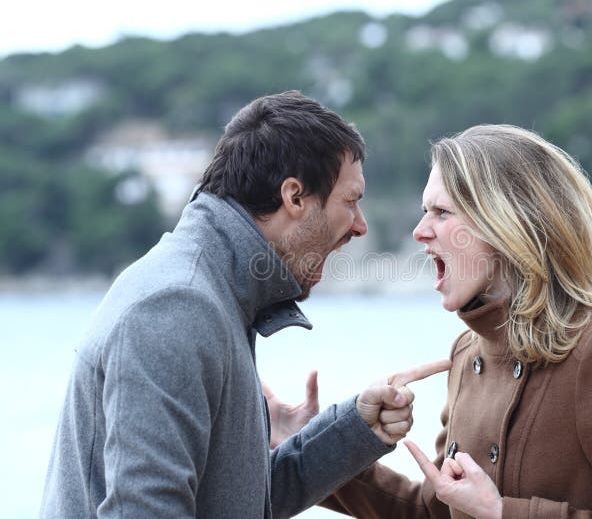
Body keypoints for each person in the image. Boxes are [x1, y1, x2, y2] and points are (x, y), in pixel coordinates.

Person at [40, 90, 449, 518]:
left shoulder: (211, 292)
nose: (360, 226)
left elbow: (236, 500)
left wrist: (353, 430)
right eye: (351, 201)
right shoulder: (174, 307)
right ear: (294, 197)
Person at [316, 124, 592, 518]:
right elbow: (437, 512)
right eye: (424, 211)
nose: (419, 231)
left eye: (442, 212)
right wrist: (317, 451)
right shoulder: (467, 353)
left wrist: (502, 513)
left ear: (506, 223)